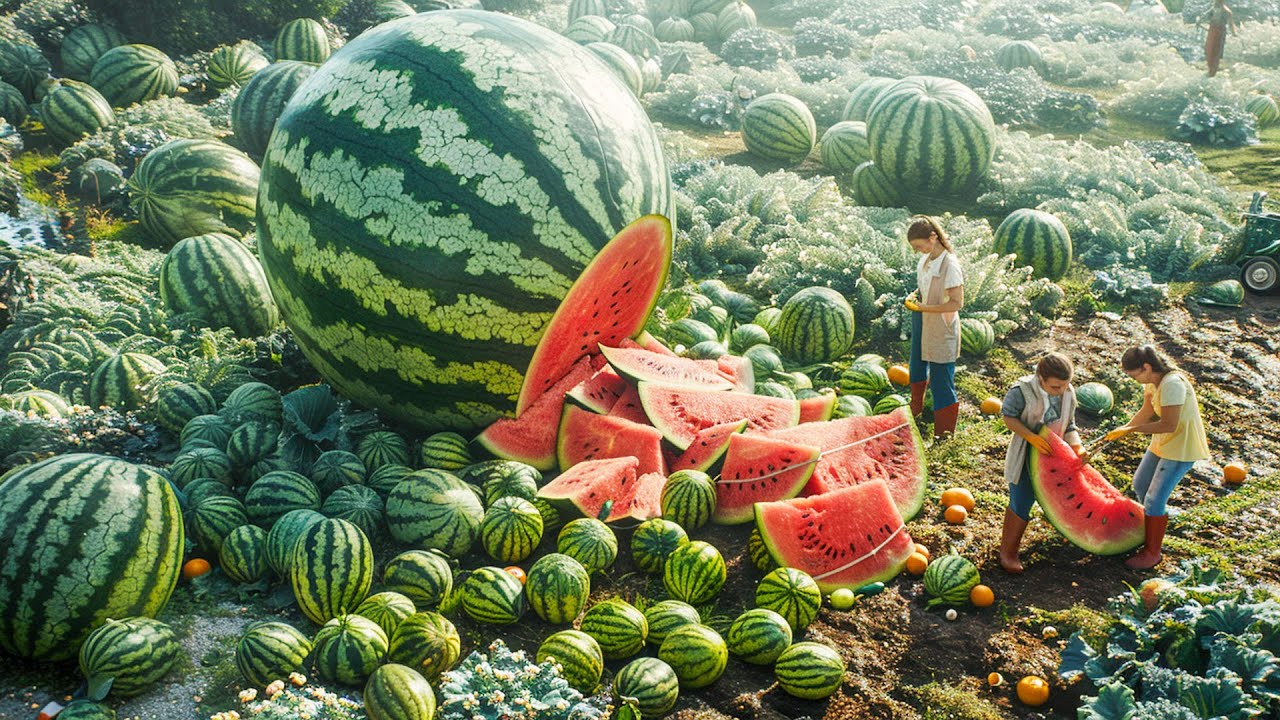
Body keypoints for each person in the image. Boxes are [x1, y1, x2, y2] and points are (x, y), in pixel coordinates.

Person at [1104, 345, 1211, 570]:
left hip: (1181, 445)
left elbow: (1169, 424)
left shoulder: (1172, 384)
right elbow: (1146, 411)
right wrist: (1123, 428)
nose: (1134, 380)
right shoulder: (1152, 382)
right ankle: (1152, 526)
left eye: (1134, 375)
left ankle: (1153, 552)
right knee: (1140, 485)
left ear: (1146, 367)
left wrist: (1130, 432)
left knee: (1153, 500)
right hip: (1163, 442)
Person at [998, 352, 1084, 574]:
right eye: (1055, 387)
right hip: (1026, 452)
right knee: (1021, 499)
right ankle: (1008, 552)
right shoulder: (1021, 391)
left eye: (1065, 386)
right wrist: (1031, 437)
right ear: (1040, 378)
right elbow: (1008, 417)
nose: (1061, 391)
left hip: (1058, 454)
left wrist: (1077, 447)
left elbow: (1070, 425)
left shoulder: (1068, 392)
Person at [904, 215, 964, 439]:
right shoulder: (926, 260)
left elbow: (957, 303)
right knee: (917, 364)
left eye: (919, 246)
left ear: (933, 237)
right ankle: (915, 409)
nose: (918, 251)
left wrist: (923, 308)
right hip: (922, 318)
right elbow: (925, 288)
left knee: (941, 377)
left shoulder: (950, 264)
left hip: (941, 324)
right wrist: (916, 297)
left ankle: (944, 433)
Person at [1198, 0, 1237, 78]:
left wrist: (1234, 33)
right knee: (1209, 50)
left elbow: (1231, 24)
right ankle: (1210, 70)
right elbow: (1204, 17)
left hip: (1219, 33)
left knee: (1216, 51)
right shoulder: (1214, 9)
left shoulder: (1227, 12)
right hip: (1212, 31)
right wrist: (1199, 21)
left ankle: (1212, 71)